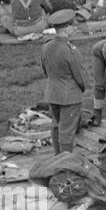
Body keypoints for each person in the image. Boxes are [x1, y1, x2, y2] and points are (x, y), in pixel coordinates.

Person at [41, 8, 87, 155]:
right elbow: (80, 76)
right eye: (73, 25)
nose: (74, 28)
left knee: (56, 125)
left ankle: (57, 156)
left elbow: (45, 71)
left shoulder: (46, 47)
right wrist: (83, 89)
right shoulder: (71, 50)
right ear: (67, 28)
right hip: (69, 96)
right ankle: (65, 161)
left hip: (52, 92)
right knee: (67, 130)